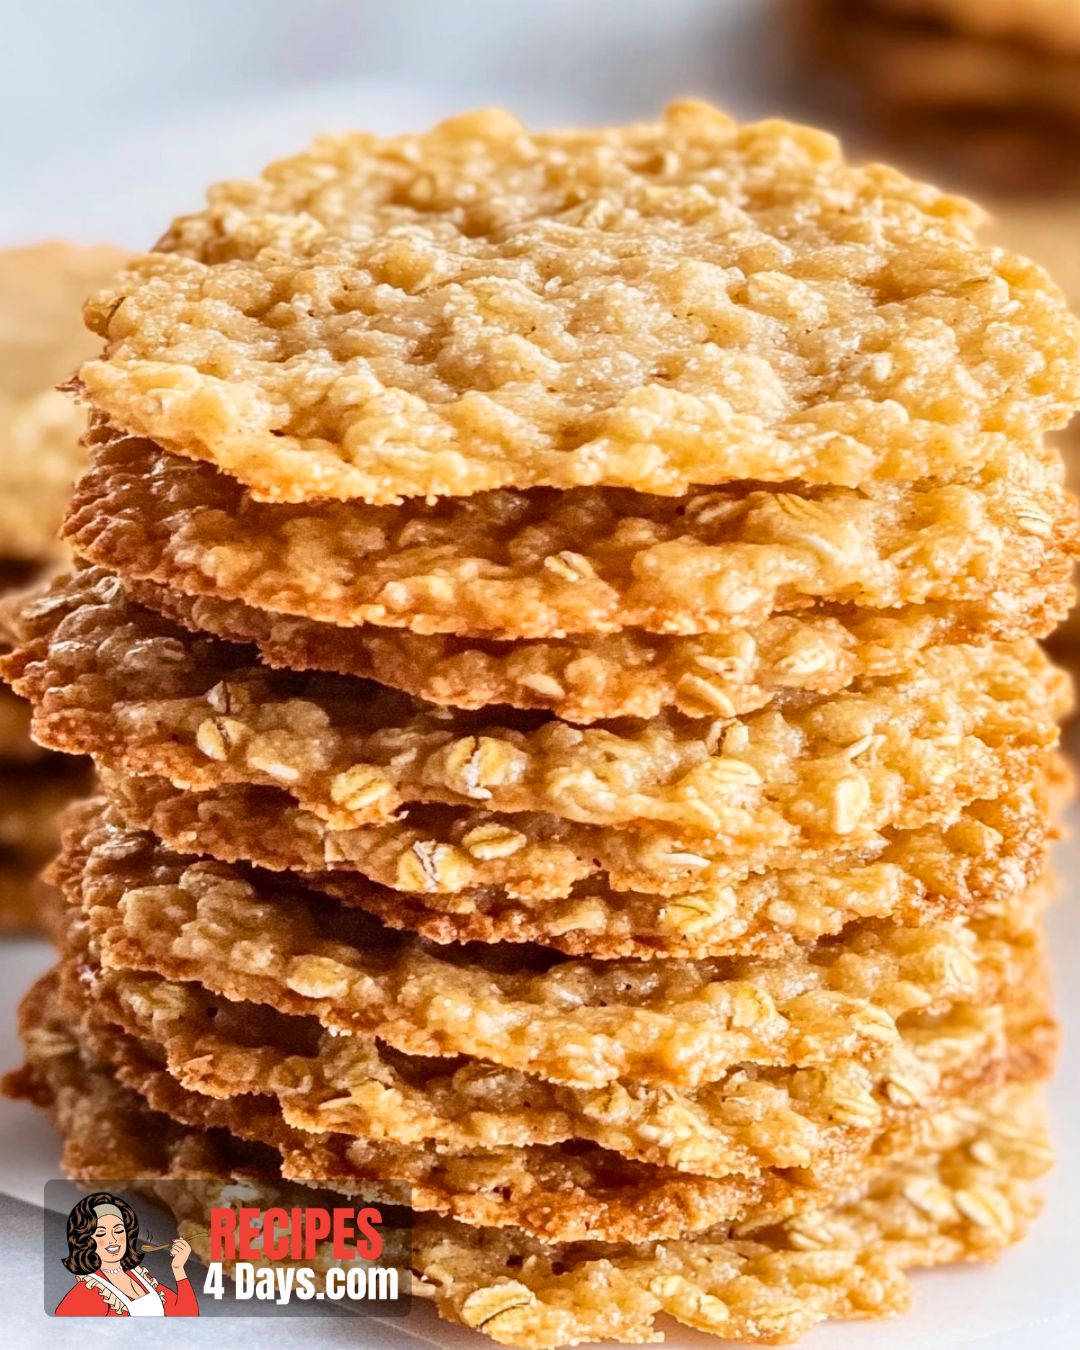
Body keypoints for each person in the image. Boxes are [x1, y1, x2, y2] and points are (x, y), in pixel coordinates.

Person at [54, 1192, 199, 1317]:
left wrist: (178, 1269)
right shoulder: (90, 1291)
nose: (113, 1240)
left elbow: (187, 1314)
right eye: (101, 1233)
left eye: (118, 1231)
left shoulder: (141, 1278)